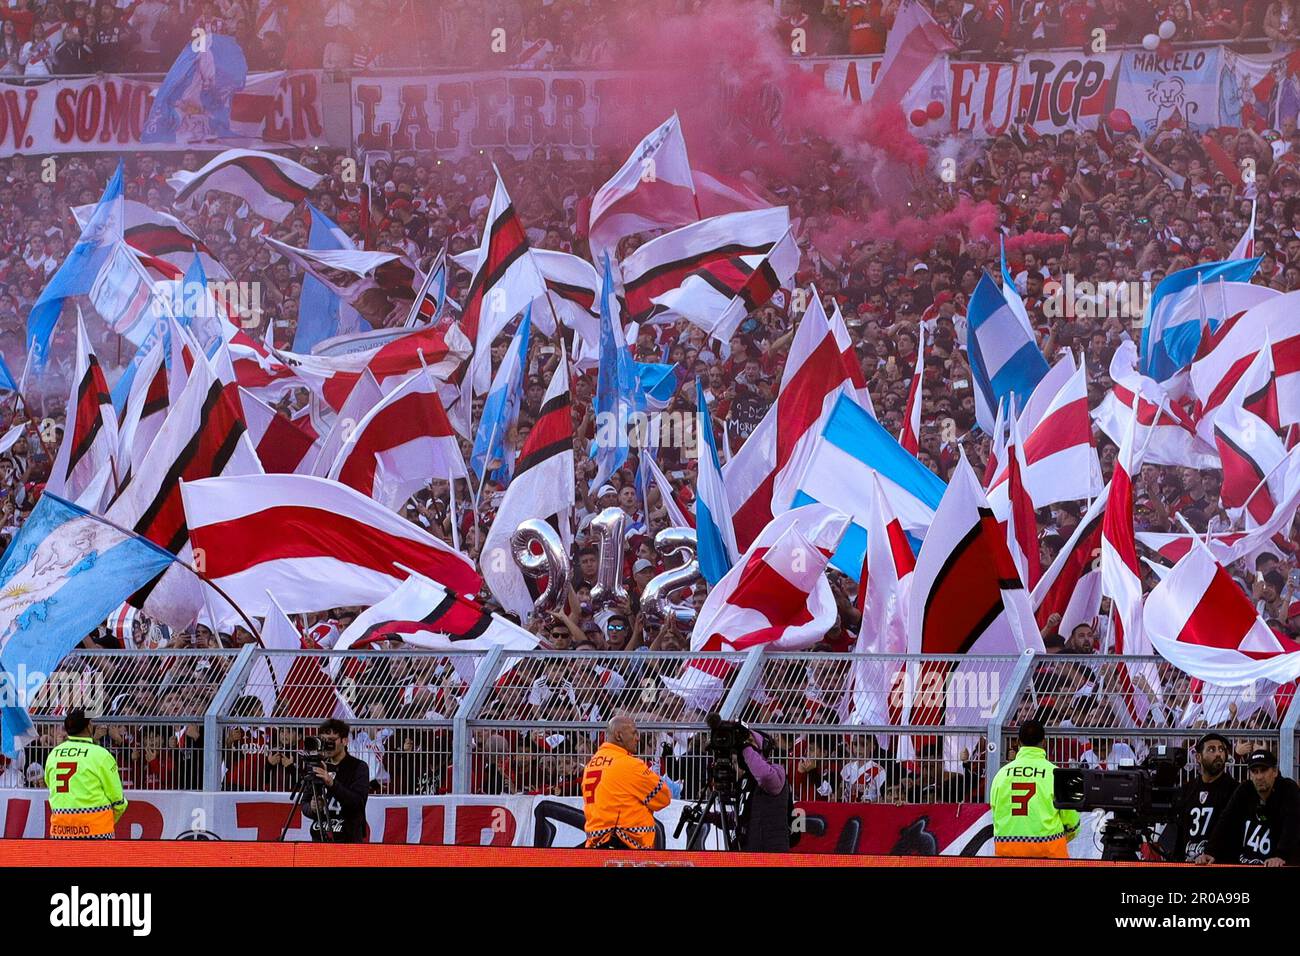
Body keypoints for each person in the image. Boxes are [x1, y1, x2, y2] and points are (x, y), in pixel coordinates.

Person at [989, 719, 1080, 858]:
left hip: (1007, 856)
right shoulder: (1058, 775)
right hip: (1049, 856)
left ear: (1018, 743)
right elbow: (1073, 825)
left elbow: (996, 816)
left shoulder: (1001, 775)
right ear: (1044, 742)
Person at [581, 714, 674, 849]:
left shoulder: (592, 764)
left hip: (596, 844)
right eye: (634, 733)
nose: (638, 738)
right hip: (625, 845)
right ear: (619, 735)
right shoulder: (630, 765)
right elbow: (663, 798)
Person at [1198, 749, 1300, 866]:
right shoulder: (1245, 789)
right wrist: (1210, 851)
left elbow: (1293, 823)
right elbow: (1226, 820)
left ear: (1275, 771)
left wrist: (1281, 855)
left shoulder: (1288, 788)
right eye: (1254, 771)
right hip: (1245, 862)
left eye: (1263, 770)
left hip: (1276, 863)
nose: (1259, 776)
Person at [44, 709, 127, 840]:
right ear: (89, 726)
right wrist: (108, 821)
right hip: (96, 832)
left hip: (60, 832)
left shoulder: (53, 754)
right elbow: (118, 801)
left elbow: (50, 786)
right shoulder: (101, 755)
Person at [1166, 732, 1238, 863]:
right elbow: (1178, 831)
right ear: (1198, 757)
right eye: (1211, 749)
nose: (1218, 754)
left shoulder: (1235, 790)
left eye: (1221, 749)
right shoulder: (1187, 790)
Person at [300, 718, 370, 843]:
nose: (327, 745)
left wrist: (332, 784)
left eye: (332, 740)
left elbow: (358, 803)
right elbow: (304, 803)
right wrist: (312, 808)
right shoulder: (319, 765)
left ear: (344, 741)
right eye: (324, 740)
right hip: (319, 838)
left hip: (348, 839)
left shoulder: (359, 767)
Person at [736, 728, 794, 853]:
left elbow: (764, 776)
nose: (746, 744)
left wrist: (745, 748)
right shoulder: (746, 779)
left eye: (750, 741)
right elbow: (743, 816)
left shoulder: (777, 771)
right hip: (750, 850)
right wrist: (710, 817)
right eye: (744, 742)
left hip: (771, 852)